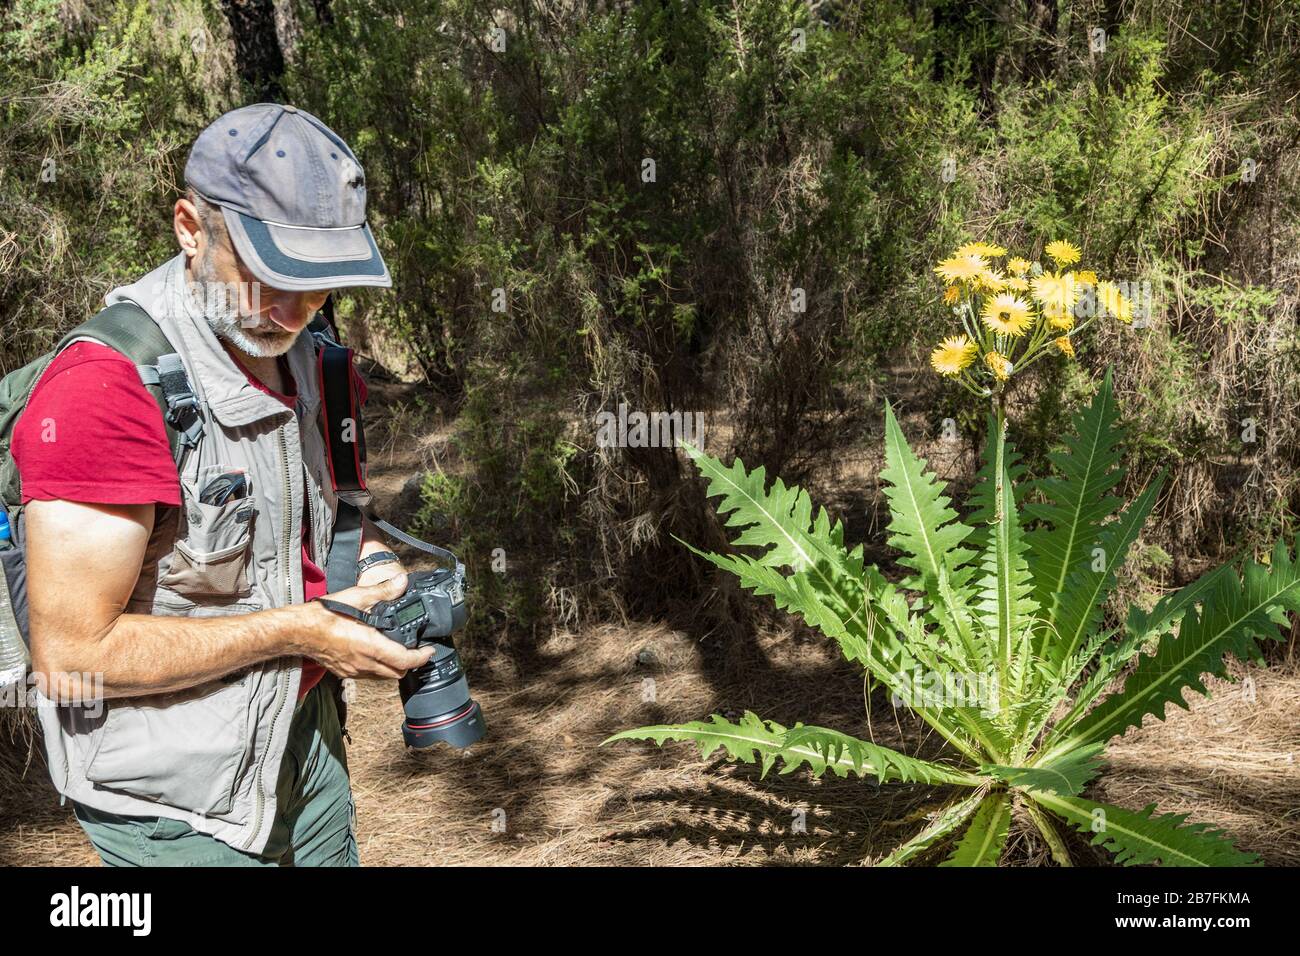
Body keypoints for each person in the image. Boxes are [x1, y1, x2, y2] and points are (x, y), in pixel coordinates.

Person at [14, 103, 429, 866]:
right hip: (171, 799)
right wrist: (297, 630)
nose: (290, 311)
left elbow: (323, 517)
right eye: (264, 272)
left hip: (304, 744)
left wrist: (367, 559)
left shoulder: (313, 360)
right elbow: (74, 654)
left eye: (316, 284)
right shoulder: (103, 391)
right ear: (189, 228)